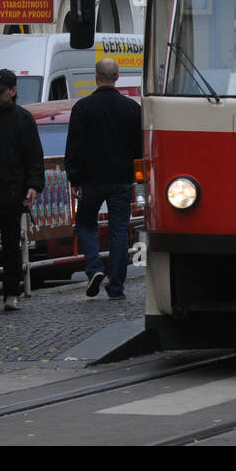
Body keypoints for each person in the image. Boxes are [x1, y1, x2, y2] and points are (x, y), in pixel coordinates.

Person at [65, 57, 142, 300]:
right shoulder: (132, 109)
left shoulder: (83, 108)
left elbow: (74, 147)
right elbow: (139, 149)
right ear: (117, 77)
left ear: (96, 77)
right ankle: (116, 286)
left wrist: (74, 179)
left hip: (91, 180)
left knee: (85, 224)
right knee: (119, 230)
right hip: (121, 180)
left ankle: (95, 268)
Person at [0, 69, 44, 312]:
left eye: (1, 92)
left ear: (13, 91)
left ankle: (11, 292)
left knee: (11, 245)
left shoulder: (23, 118)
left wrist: (33, 186)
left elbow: (34, 156)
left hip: (12, 190)